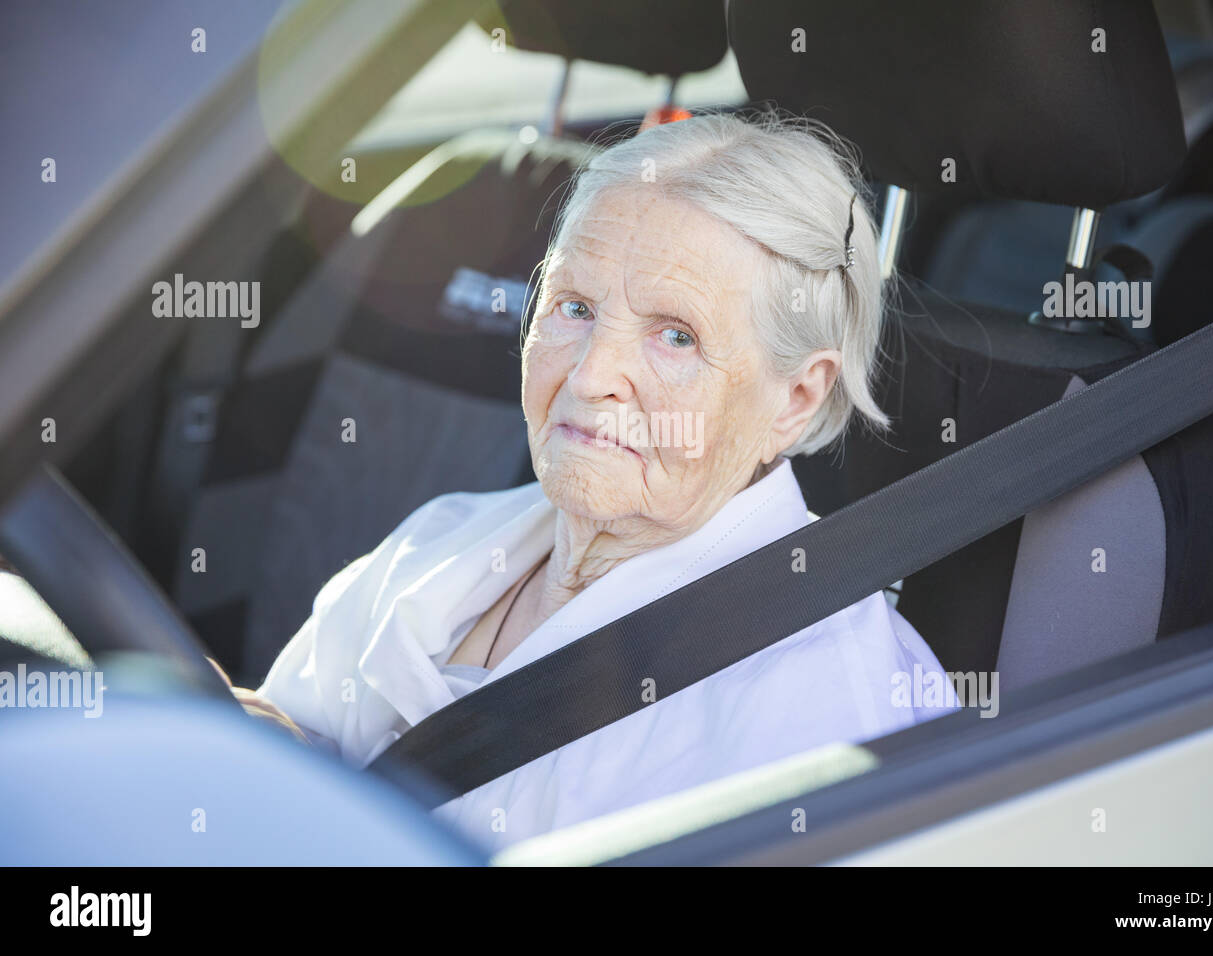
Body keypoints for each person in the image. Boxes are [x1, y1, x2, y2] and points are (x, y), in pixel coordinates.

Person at [252, 110, 956, 851]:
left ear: (796, 398)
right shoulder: (445, 536)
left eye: (676, 337)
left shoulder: (822, 701)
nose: (589, 377)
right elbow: (292, 747)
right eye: (574, 307)